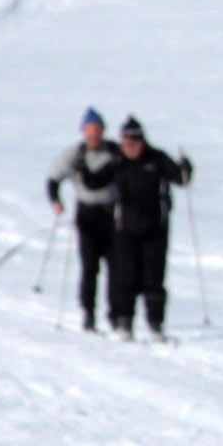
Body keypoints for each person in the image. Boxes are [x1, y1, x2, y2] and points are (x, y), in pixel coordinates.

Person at [96, 117, 194, 338]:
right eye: (126, 143)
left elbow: (180, 178)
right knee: (125, 276)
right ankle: (124, 322)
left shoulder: (156, 158)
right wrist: (82, 170)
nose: (130, 147)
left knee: (154, 279)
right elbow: (95, 181)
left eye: (134, 143)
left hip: (155, 229)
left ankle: (155, 323)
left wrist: (186, 168)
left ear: (142, 141)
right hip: (125, 230)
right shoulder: (117, 162)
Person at [47, 110, 126, 330]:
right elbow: (53, 177)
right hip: (87, 215)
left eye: (98, 129)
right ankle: (88, 313)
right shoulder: (75, 154)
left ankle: (115, 314)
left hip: (112, 214)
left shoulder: (114, 151)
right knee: (90, 268)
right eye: (90, 130)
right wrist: (56, 200)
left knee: (116, 268)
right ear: (83, 131)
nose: (94, 134)